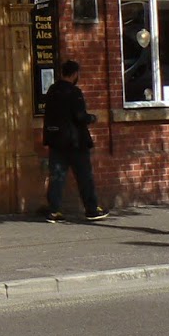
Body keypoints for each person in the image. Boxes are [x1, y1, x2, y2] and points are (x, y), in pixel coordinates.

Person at [42, 59, 109, 221]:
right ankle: (92, 209)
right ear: (74, 74)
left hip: (56, 141)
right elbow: (80, 116)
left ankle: (54, 211)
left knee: (57, 177)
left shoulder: (52, 90)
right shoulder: (74, 92)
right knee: (84, 176)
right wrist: (92, 118)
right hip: (74, 141)